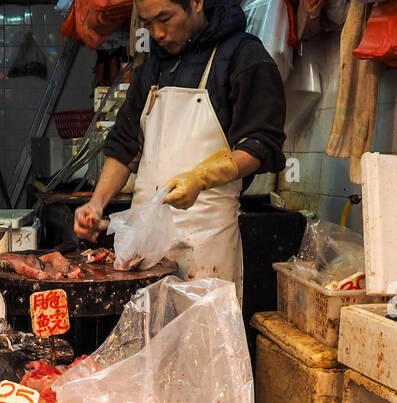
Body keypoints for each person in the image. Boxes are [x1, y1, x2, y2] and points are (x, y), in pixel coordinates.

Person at [74, 0, 286, 287]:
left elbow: (260, 145)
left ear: (196, 3)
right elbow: (124, 144)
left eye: (165, 18)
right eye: (148, 24)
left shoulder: (244, 56)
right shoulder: (152, 68)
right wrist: (96, 204)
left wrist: (200, 178)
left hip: (206, 249)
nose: (158, 33)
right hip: (144, 249)